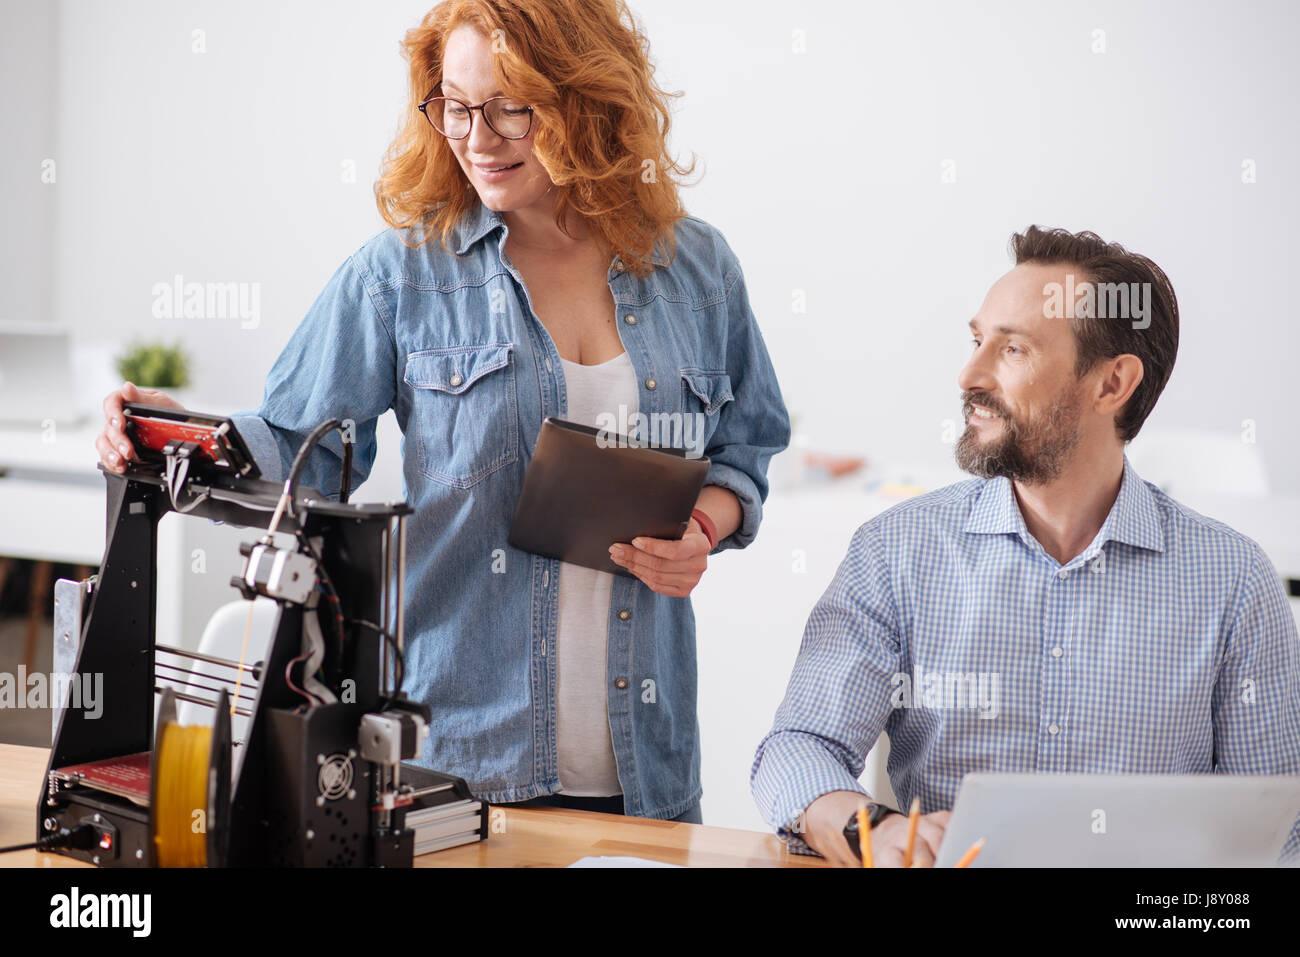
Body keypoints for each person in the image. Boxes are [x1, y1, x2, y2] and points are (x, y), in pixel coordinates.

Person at [96, 0, 789, 824]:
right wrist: (180, 430)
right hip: (462, 770)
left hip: (647, 769)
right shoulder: (399, 276)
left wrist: (704, 528)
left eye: (509, 108)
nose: (477, 137)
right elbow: (293, 444)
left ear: (587, 101)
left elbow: (747, 446)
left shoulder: (696, 267)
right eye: (456, 106)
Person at [751, 225, 1300, 865]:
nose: (970, 373)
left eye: (1012, 350)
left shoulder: (1233, 582)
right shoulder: (896, 552)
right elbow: (798, 747)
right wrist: (868, 827)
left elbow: (1280, 830)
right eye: (978, 340)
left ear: (1111, 384)